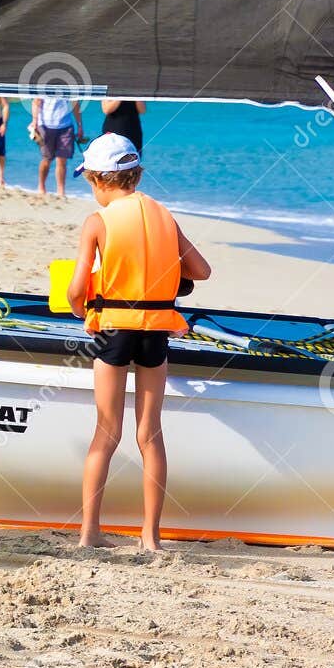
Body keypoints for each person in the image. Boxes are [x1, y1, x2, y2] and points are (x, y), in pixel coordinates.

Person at [66, 133, 211, 551]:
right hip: (155, 333)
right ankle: (151, 537)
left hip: (113, 331)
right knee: (150, 434)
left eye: (90, 182)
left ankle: (90, 534)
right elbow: (201, 271)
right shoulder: (164, 214)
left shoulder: (98, 221)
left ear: (99, 179)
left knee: (106, 433)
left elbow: (77, 289)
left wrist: (82, 311)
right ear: (134, 174)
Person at [32, 95, 82, 196]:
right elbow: (36, 101)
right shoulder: (44, 85)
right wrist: (35, 122)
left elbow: (75, 104)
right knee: (47, 159)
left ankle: (61, 190)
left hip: (65, 126)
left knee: (62, 160)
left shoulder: (69, 86)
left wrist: (80, 125)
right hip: (45, 126)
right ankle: (41, 186)